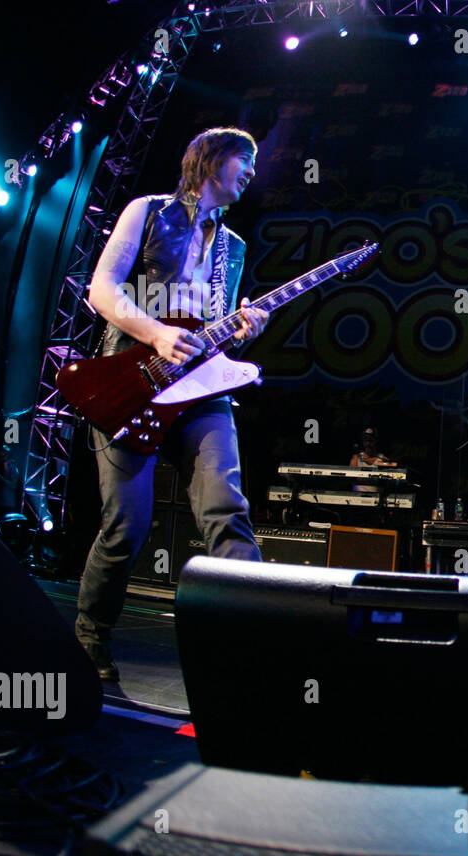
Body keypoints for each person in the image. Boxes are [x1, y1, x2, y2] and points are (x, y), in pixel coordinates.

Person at [74, 127, 270, 681]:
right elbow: (102, 290)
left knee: (227, 511)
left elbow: (215, 332)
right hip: (131, 380)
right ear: (211, 160)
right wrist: (157, 333)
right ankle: (91, 634)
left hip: (202, 392)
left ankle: (254, 645)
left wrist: (246, 329)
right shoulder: (148, 212)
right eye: (245, 160)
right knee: (126, 526)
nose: (252, 172)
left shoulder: (233, 247)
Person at [349, 427, 399, 493]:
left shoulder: (383, 459)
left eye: (370, 441)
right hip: (357, 497)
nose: (368, 444)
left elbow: (391, 480)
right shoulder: (356, 458)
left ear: (376, 441)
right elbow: (350, 478)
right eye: (365, 440)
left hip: (376, 498)